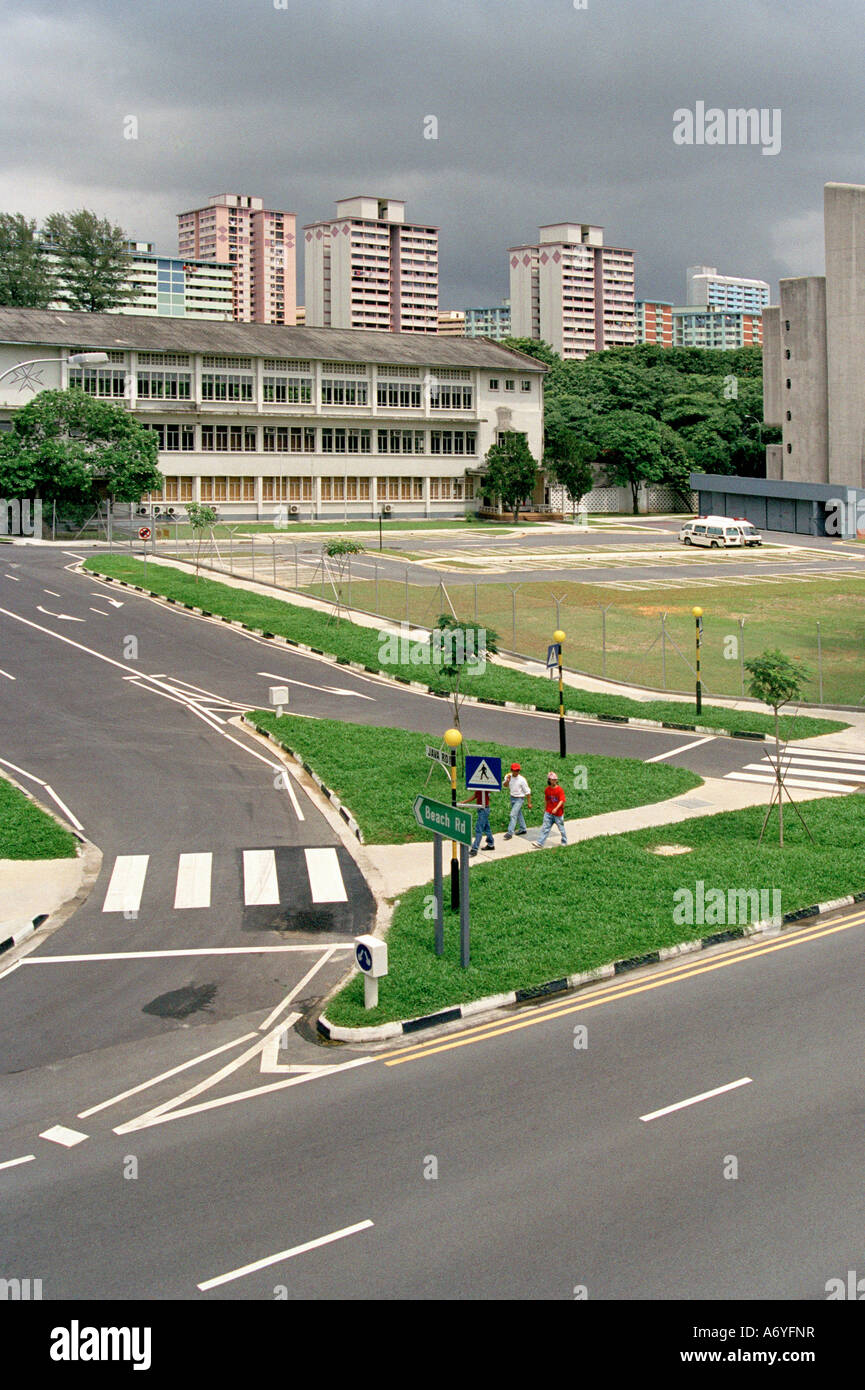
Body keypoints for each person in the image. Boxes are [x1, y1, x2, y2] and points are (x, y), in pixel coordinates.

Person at [533, 771, 567, 847]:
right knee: (545, 828)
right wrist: (546, 809)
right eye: (552, 779)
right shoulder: (547, 790)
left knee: (561, 828)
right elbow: (546, 800)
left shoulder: (559, 790)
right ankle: (540, 843)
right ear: (549, 780)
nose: (554, 781)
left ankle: (564, 841)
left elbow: (562, 800)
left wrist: (556, 808)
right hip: (549, 812)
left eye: (555, 779)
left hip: (558, 814)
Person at [459, 787, 495, 856]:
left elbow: (491, 790)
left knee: (479, 829)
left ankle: (474, 849)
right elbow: (475, 796)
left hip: (484, 809)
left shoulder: (485, 787)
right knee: (486, 828)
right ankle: (491, 844)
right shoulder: (478, 785)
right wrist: (464, 802)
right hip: (480, 809)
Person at [503, 762, 532, 839]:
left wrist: (529, 803)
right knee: (518, 814)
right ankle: (523, 828)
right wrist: (507, 781)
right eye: (515, 770)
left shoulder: (522, 780)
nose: (516, 772)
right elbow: (505, 785)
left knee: (513, 814)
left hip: (519, 799)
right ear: (511, 770)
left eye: (518, 770)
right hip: (512, 797)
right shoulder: (508, 776)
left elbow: (527, 792)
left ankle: (510, 832)